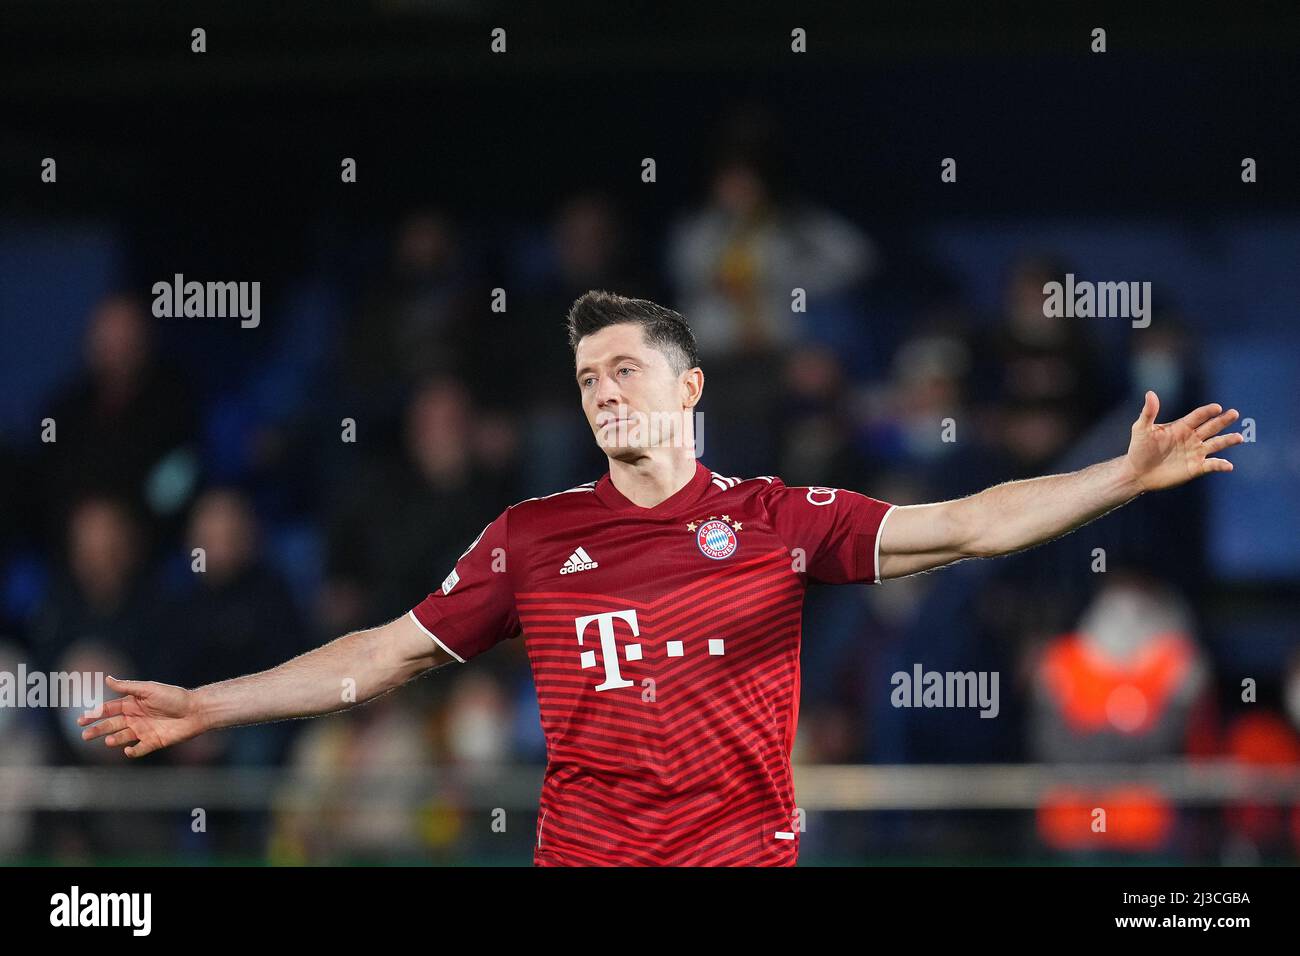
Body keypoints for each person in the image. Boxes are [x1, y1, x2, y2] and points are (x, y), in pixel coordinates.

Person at [80, 291, 1246, 866]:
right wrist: (208, 701)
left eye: (625, 367)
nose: (601, 390)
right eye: (586, 377)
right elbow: (379, 654)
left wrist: (1120, 480)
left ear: (688, 388)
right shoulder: (532, 535)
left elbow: (975, 523)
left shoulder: (778, 519)